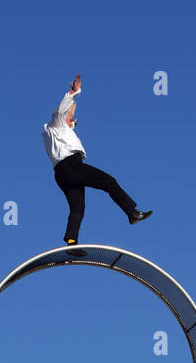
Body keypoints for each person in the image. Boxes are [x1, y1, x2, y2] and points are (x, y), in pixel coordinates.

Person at [43, 74, 152, 246]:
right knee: (109, 182)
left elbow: (67, 127)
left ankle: (71, 241)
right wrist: (73, 92)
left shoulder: (57, 132)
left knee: (77, 207)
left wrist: (71, 124)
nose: (73, 120)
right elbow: (63, 110)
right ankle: (132, 213)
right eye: (71, 118)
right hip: (71, 166)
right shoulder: (56, 123)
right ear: (62, 118)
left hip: (62, 174)